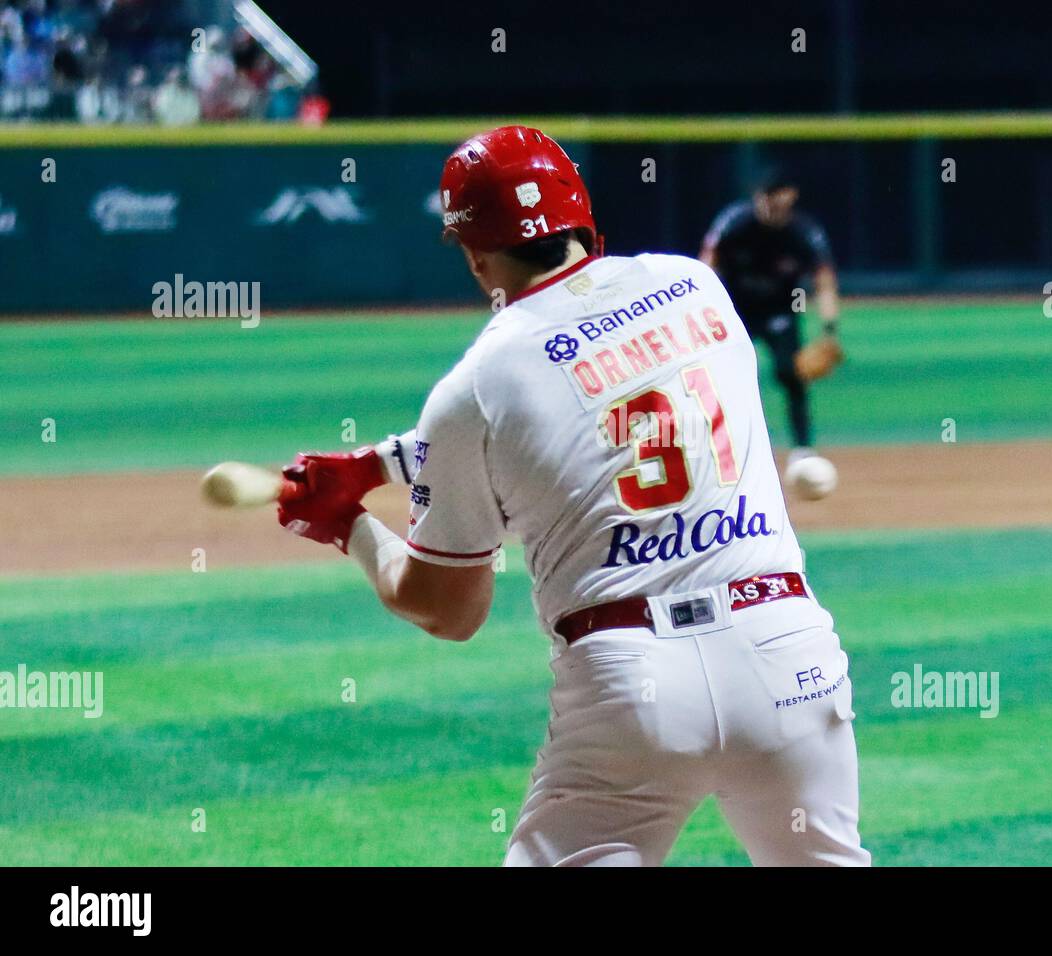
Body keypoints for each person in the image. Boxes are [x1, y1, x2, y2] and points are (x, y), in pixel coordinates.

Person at [276, 126, 871, 867]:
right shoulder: (693, 285)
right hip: (787, 654)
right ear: (585, 220)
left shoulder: (475, 387)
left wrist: (348, 525)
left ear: (474, 254)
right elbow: (603, 397)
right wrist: (380, 461)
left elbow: (448, 607)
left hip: (633, 689)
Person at [700, 170, 840, 463]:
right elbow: (706, 265)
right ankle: (722, 448)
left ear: (791, 196)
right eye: (766, 195)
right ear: (757, 197)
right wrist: (704, 311)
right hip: (735, 311)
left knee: (791, 373)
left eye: (778, 194)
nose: (771, 201)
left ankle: (803, 448)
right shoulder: (735, 223)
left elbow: (824, 280)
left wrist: (829, 328)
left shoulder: (803, 232)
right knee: (724, 378)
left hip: (781, 309)